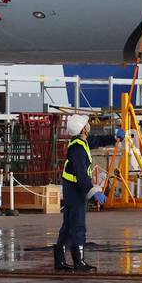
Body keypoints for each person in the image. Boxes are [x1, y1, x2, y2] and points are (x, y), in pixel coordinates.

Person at [54, 114, 106, 272]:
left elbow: (97, 141)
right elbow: (81, 175)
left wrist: (116, 137)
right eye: (87, 123)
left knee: (69, 225)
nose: (89, 125)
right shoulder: (78, 149)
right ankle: (79, 261)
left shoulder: (81, 142)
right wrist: (93, 191)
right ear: (83, 128)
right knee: (78, 225)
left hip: (72, 188)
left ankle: (60, 260)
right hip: (75, 190)